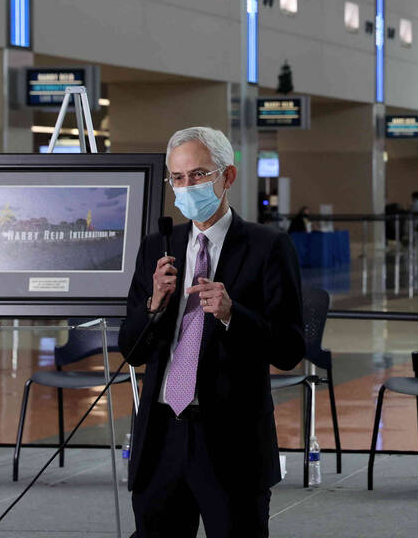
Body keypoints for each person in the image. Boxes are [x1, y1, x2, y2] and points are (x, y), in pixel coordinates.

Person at [120, 126, 305, 537]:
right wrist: (153, 304)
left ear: (228, 177)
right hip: (161, 434)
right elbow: (130, 350)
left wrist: (231, 314)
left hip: (231, 439)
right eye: (179, 178)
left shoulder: (268, 247)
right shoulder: (157, 246)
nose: (188, 187)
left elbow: (290, 349)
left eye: (199, 174)